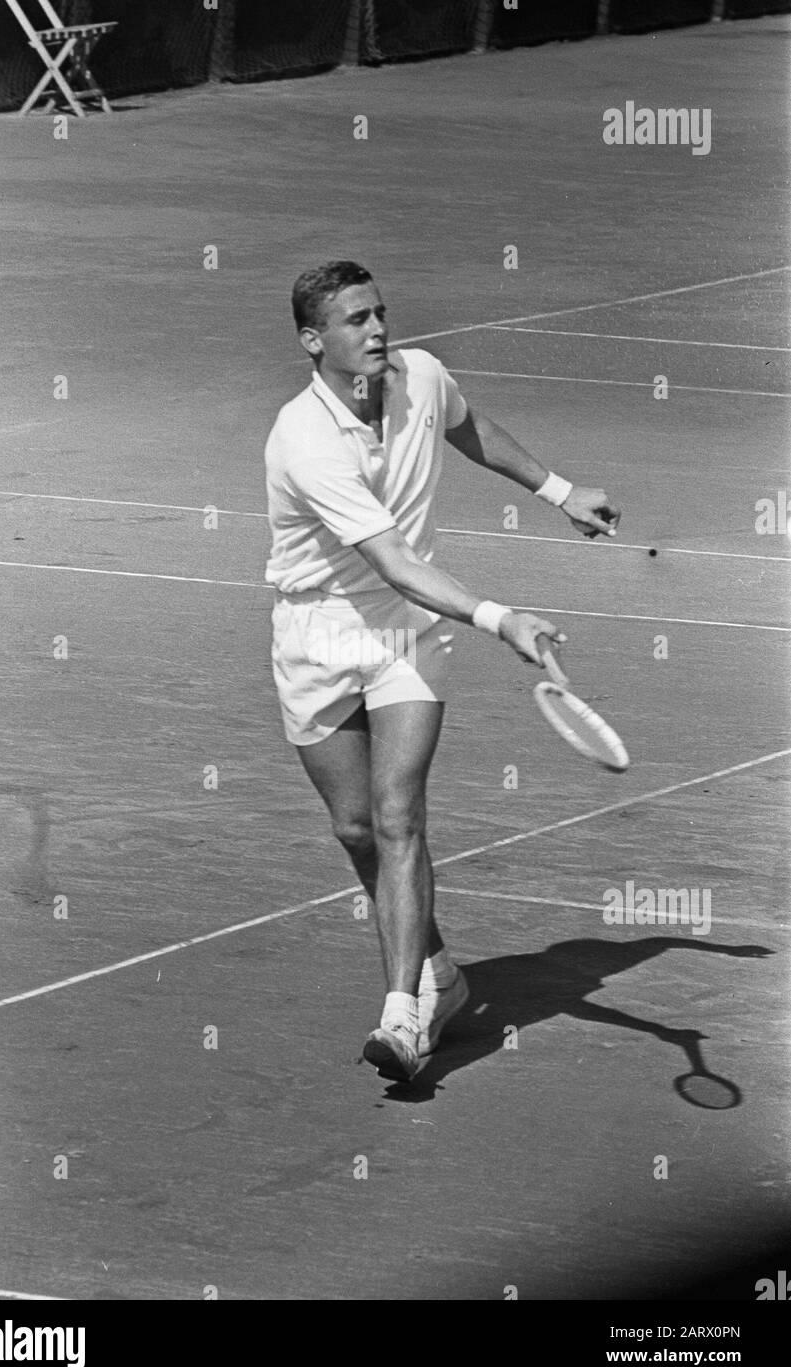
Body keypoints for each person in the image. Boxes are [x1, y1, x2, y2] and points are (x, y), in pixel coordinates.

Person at [264, 261, 620, 1082]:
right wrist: (502, 618)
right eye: (356, 321)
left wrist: (557, 489)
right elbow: (389, 557)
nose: (378, 329)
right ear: (315, 342)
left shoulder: (419, 374)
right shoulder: (304, 436)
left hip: (407, 632)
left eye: (380, 312)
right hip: (317, 634)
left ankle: (404, 1018)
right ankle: (444, 977)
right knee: (355, 829)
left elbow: (465, 427)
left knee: (397, 821)